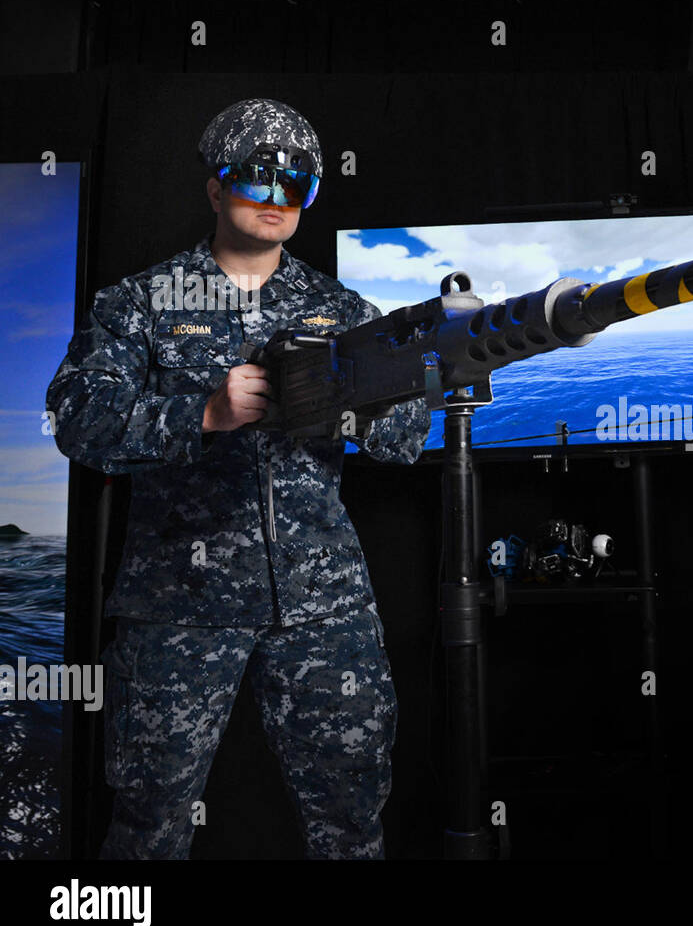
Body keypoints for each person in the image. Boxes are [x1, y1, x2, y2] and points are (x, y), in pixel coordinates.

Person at [45, 98, 431, 859]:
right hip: (180, 606)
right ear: (216, 188)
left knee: (351, 826)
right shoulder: (140, 304)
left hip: (324, 606)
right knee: (147, 827)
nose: (278, 200)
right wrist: (205, 413)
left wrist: (367, 400)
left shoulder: (341, 310)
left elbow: (406, 439)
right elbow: (78, 422)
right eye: (258, 180)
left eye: (298, 185)